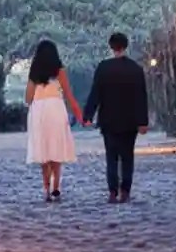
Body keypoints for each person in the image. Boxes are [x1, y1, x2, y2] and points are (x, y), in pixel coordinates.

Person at [83, 33, 148, 203]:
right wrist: (143, 121)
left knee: (111, 157)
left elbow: (95, 93)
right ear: (126, 46)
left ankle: (112, 191)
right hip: (130, 120)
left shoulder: (103, 68)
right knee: (127, 157)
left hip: (109, 120)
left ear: (111, 47)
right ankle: (125, 190)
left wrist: (88, 115)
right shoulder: (135, 69)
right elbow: (141, 97)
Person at [25, 40, 83, 202]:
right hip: (56, 108)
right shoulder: (59, 71)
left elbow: (28, 98)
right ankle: (56, 185)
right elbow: (68, 94)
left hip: (39, 111)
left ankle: (46, 188)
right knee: (56, 147)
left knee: (43, 150)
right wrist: (79, 114)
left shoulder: (34, 73)